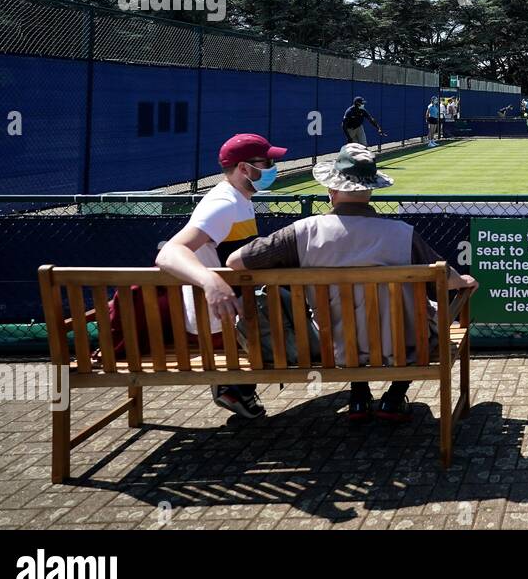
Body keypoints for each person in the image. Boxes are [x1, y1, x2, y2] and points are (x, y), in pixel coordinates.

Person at [226, 144, 478, 421]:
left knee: (344, 321)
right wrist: (464, 280)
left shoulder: (302, 232)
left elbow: (235, 262)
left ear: (331, 191)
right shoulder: (402, 234)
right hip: (400, 347)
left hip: (334, 348)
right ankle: (394, 397)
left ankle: (359, 396)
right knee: (426, 320)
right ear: (370, 190)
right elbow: (447, 279)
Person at [155, 133, 287, 419]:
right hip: (223, 326)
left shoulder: (237, 198)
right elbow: (169, 252)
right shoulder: (224, 203)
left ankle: (236, 386)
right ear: (243, 168)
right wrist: (210, 281)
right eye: (266, 162)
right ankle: (234, 384)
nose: (273, 167)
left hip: (227, 320)